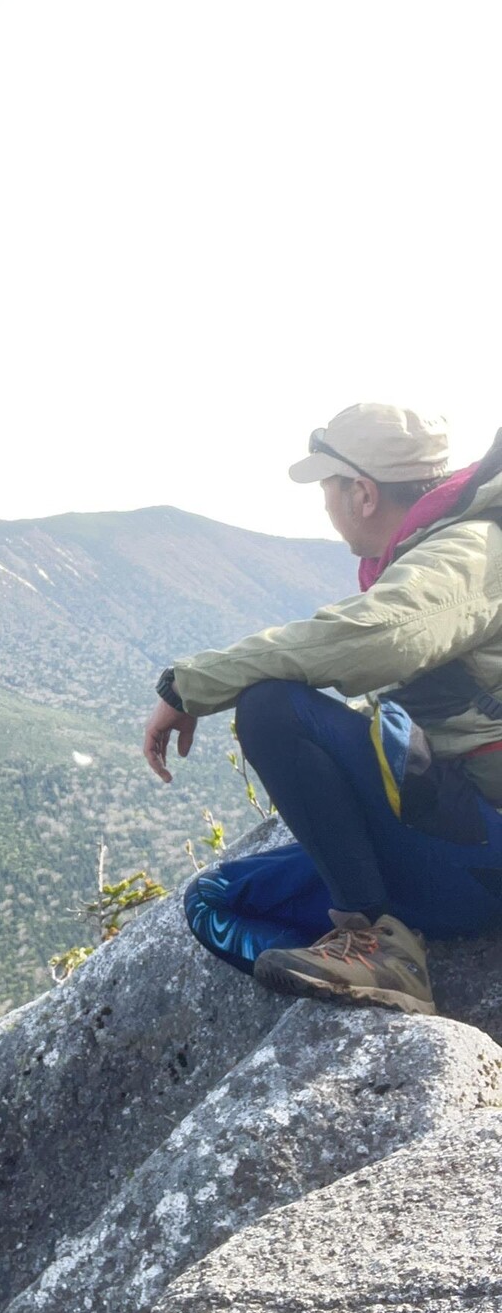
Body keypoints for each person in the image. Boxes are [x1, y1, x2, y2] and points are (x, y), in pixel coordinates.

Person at [142, 402, 502, 1016]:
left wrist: (193, 684)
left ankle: (373, 948)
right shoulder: (432, 549)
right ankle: (367, 962)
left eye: (328, 487)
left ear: (361, 492)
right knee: (214, 901)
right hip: (451, 849)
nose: (326, 503)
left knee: (271, 708)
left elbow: (379, 636)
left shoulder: (470, 549)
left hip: (480, 845)